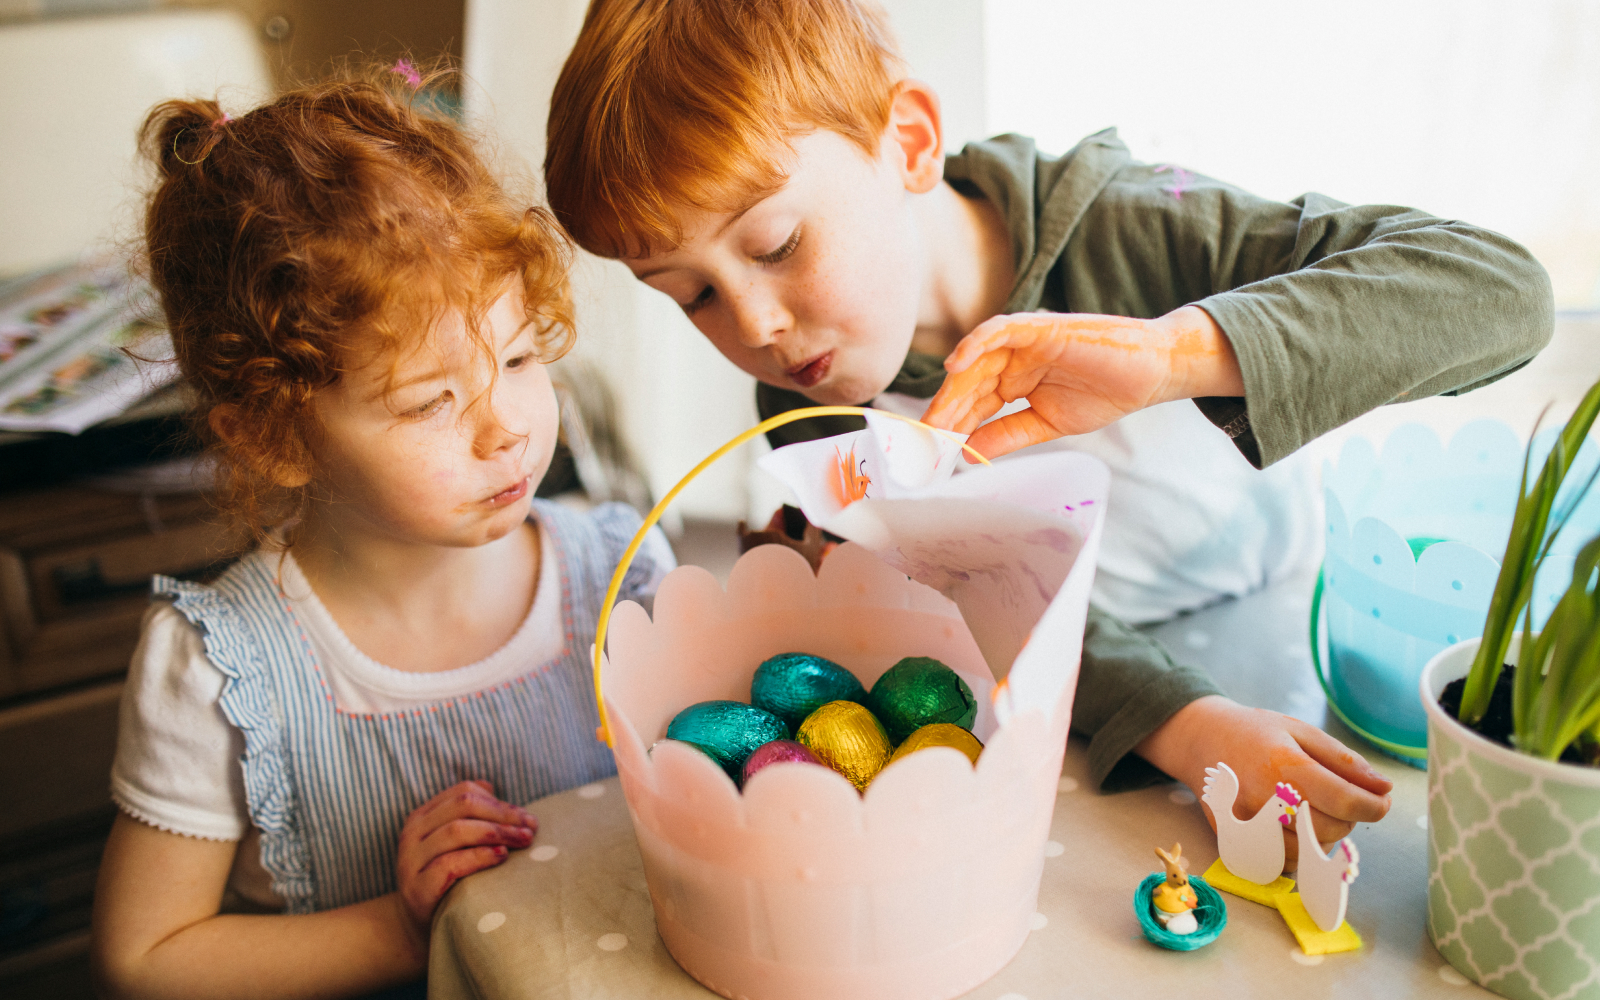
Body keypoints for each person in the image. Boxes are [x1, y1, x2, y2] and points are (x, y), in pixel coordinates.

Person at [543, 0, 1552, 856]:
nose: (754, 326)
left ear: (907, 143)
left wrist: (1172, 356)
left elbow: (1500, 294)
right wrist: (1182, 720)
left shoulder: (1134, 224)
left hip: (1301, 635)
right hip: (1107, 702)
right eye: (691, 295)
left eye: (776, 243)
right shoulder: (807, 404)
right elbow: (993, 592)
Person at [91, 70, 673, 999]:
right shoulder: (218, 672)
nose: (506, 428)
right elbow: (144, 955)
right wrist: (407, 929)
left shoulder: (622, 576)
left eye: (520, 357)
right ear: (275, 435)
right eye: (430, 402)